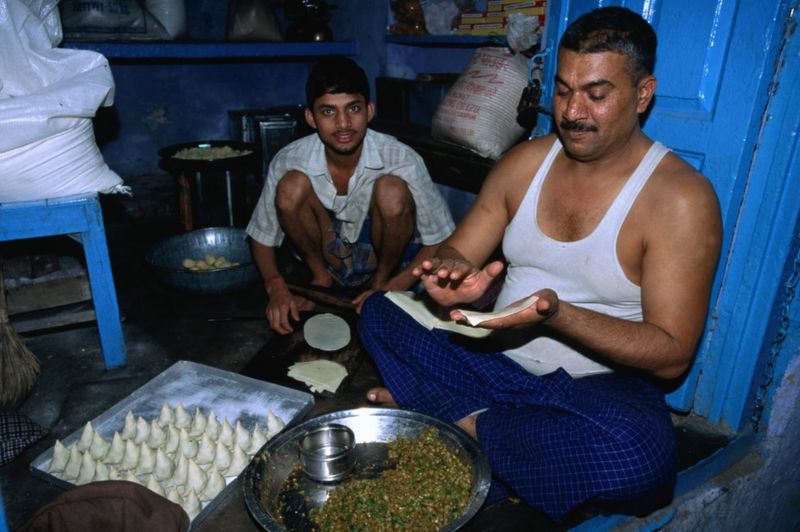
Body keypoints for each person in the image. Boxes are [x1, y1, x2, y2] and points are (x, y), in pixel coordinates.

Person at [358, 6, 722, 522]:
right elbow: (456, 252)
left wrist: (555, 314)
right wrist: (449, 277)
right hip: (492, 358)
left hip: (588, 390)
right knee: (378, 313)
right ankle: (491, 430)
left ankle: (459, 423)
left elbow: (671, 356)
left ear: (643, 94)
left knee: (639, 457)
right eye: (564, 89)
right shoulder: (525, 162)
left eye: (596, 95)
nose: (572, 112)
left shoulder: (679, 199)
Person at [246, 56, 455, 334]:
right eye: (328, 112)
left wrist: (393, 288)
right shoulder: (289, 158)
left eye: (353, 109)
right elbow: (261, 235)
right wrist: (275, 288)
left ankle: (379, 283)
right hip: (327, 255)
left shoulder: (402, 158)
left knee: (391, 189)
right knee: (290, 186)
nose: (343, 124)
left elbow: (440, 239)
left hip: (388, 261)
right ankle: (320, 278)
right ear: (311, 118)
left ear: (369, 110)